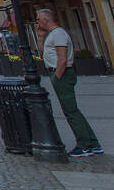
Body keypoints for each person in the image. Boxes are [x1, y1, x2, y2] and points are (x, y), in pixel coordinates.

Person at [37, 9, 103, 157]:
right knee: (72, 111)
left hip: (63, 74)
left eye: (38, 20)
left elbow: (63, 58)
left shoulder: (59, 34)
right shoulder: (50, 35)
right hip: (59, 73)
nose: (38, 22)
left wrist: (57, 77)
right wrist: (41, 37)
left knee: (71, 112)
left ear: (45, 20)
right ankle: (93, 143)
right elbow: (42, 54)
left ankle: (84, 145)